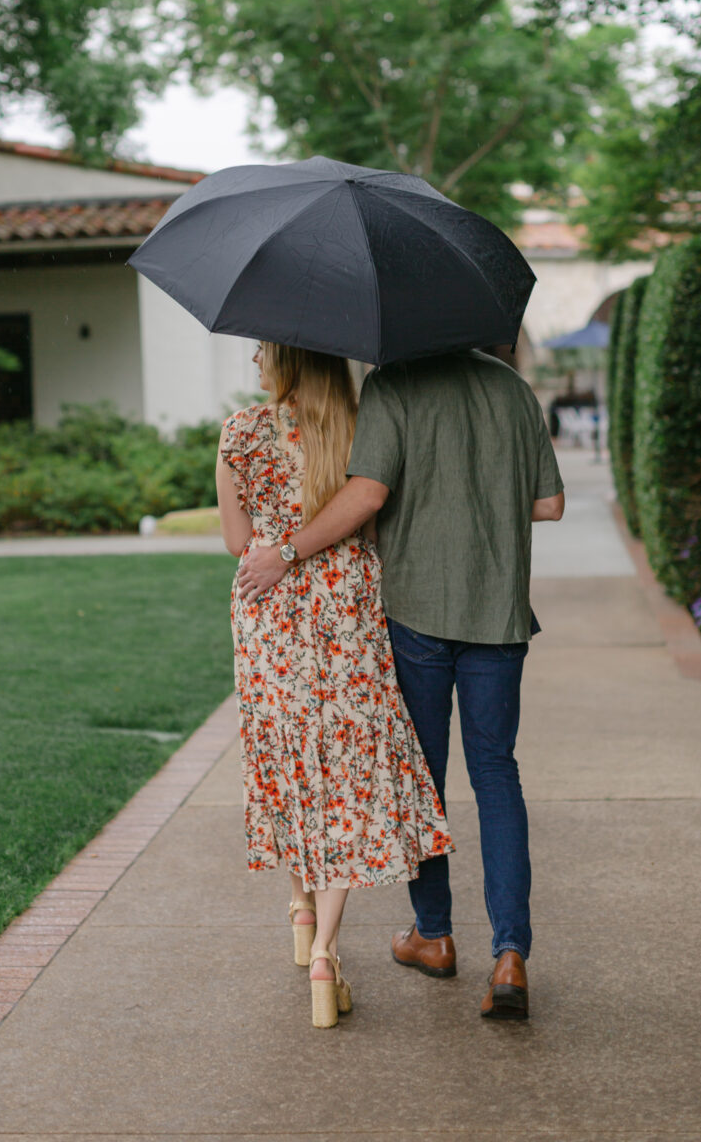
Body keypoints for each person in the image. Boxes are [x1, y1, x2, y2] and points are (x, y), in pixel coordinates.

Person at [238, 349, 565, 1021]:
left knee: (425, 773)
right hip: (498, 610)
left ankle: (434, 936)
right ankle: (510, 955)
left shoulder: (395, 384)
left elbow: (368, 494)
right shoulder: (512, 388)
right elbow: (549, 504)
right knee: (497, 773)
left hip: (418, 610)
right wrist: (481, 499)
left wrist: (288, 552)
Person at [215, 341, 454, 1030]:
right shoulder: (361, 431)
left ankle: (300, 906)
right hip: (346, 604)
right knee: (344, 771)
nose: (255, 360)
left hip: (269, 610)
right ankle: (324, 950)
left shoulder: (240, 432)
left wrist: (278, 541)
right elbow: (372, 523)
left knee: (289, 757)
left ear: (287, 358)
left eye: (262, 348)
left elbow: (237, 540)